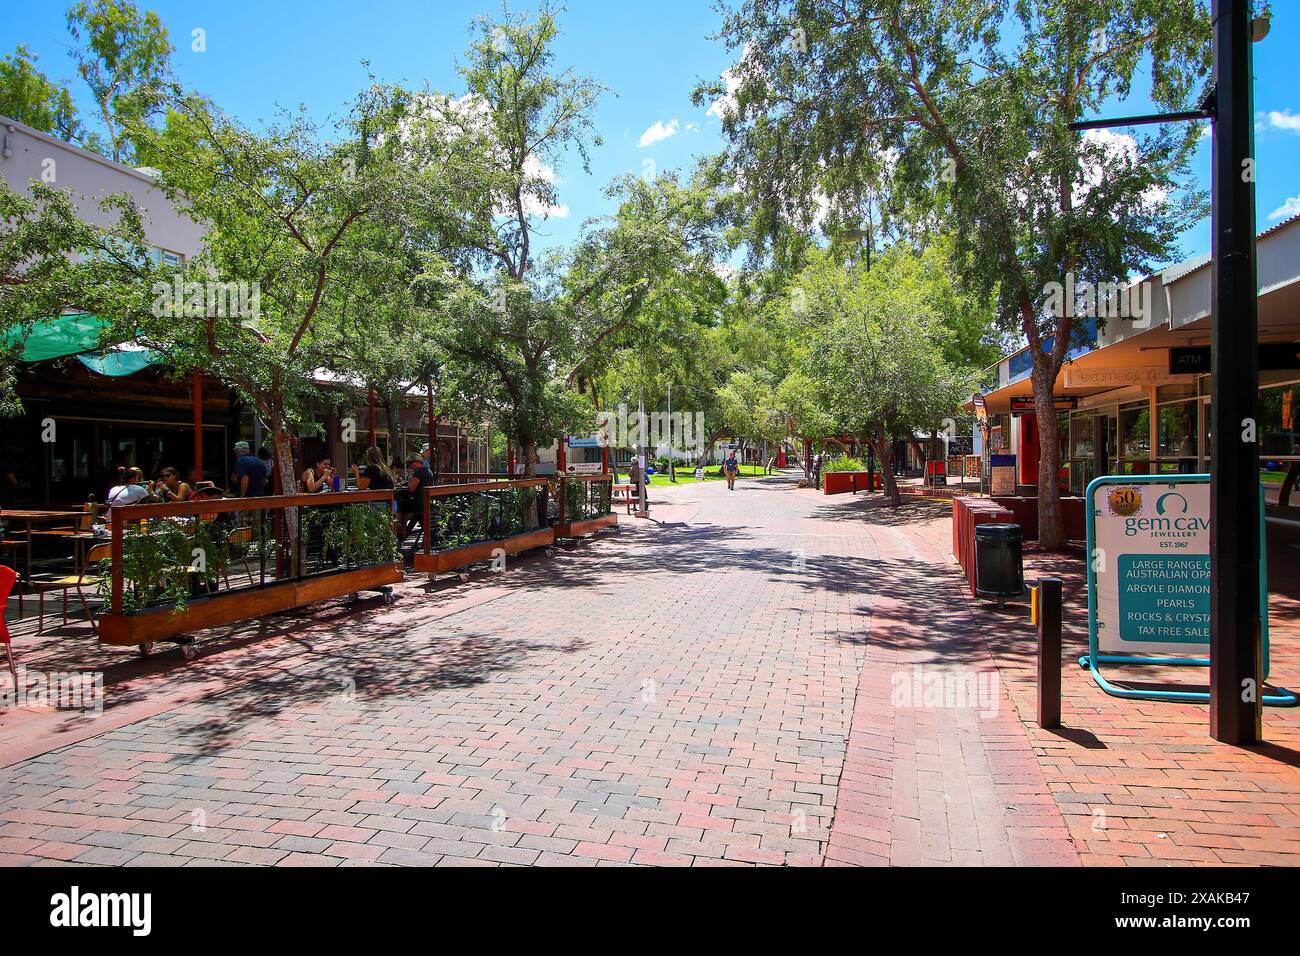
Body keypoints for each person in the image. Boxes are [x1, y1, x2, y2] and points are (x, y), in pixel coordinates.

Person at [397, 453, 435, 541]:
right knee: (408, 508)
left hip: (418, 504)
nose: (410, 468)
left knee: (401, 506)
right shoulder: (428, 471)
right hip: (425, 502)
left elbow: (411, 488)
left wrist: (410, 475)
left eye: (410, 465)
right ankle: (405, 532)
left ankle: (401, 531)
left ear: (414, 463)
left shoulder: (419, 472)